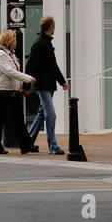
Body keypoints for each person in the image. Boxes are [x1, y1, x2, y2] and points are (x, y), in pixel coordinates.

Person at [25, 16, 68, 154]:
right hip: (43, 85)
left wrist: (62, 81)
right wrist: (26, 86)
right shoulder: (40, 44)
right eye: (54, 26)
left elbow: (53, 66)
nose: (54, 28)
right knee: (51, 114)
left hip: (48, 85)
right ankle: (53, 146)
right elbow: (29, 65)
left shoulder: (47, 43)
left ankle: (29, 141)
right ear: (50, 27)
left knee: (41, 113)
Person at [0, 29, 38, 154]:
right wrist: (27, 78)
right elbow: (10, 72)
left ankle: (26, 146)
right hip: (3, 91)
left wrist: (21, 86)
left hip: (13, 90)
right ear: (8, 40)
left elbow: (14, 72)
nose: (16, 41)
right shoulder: (0, 54)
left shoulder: (11, 54)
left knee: (18, 119)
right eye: (14, 39)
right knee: (0, 119)